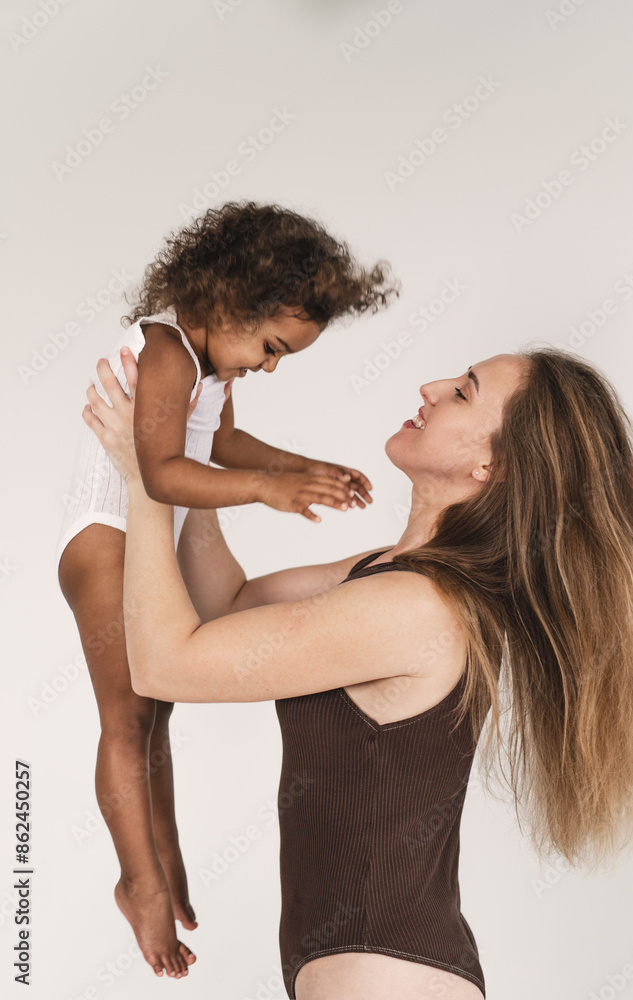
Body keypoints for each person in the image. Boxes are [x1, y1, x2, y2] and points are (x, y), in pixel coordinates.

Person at [82, 345, 633, 998]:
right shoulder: (388, 575)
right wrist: (185, 442)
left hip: (385, 976)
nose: (432, 385)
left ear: (491, 464)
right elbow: (226, 607)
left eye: (464, 392)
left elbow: (166, 666)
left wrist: (148, 482)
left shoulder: (417, 607)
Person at [56, 201, 397, 980]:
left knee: (158, 709)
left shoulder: (207, 363)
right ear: (227, 300)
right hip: (103, 533)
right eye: (271, 347)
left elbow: (222, 442)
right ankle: (136, 881)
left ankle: (161, 850)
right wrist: (260, 492)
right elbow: (161, 471)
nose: (269, 366)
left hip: (141, 537)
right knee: (128, 715)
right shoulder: (168, 349)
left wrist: (295, 467)